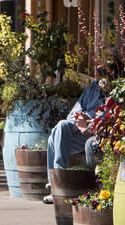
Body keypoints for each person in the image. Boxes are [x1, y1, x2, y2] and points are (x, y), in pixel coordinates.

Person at [44, 57, 118, 203]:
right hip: (78, 130)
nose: (99, 76)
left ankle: (57, 185)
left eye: (103, 72)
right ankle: (58, 180)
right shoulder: (92, 88)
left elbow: (107, 116)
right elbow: (72, 113)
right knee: (61, 127)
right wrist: (78, 120)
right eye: (98, 72)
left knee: (54, 137)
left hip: (94, 132)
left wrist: (87, 122)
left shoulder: (114, 92)